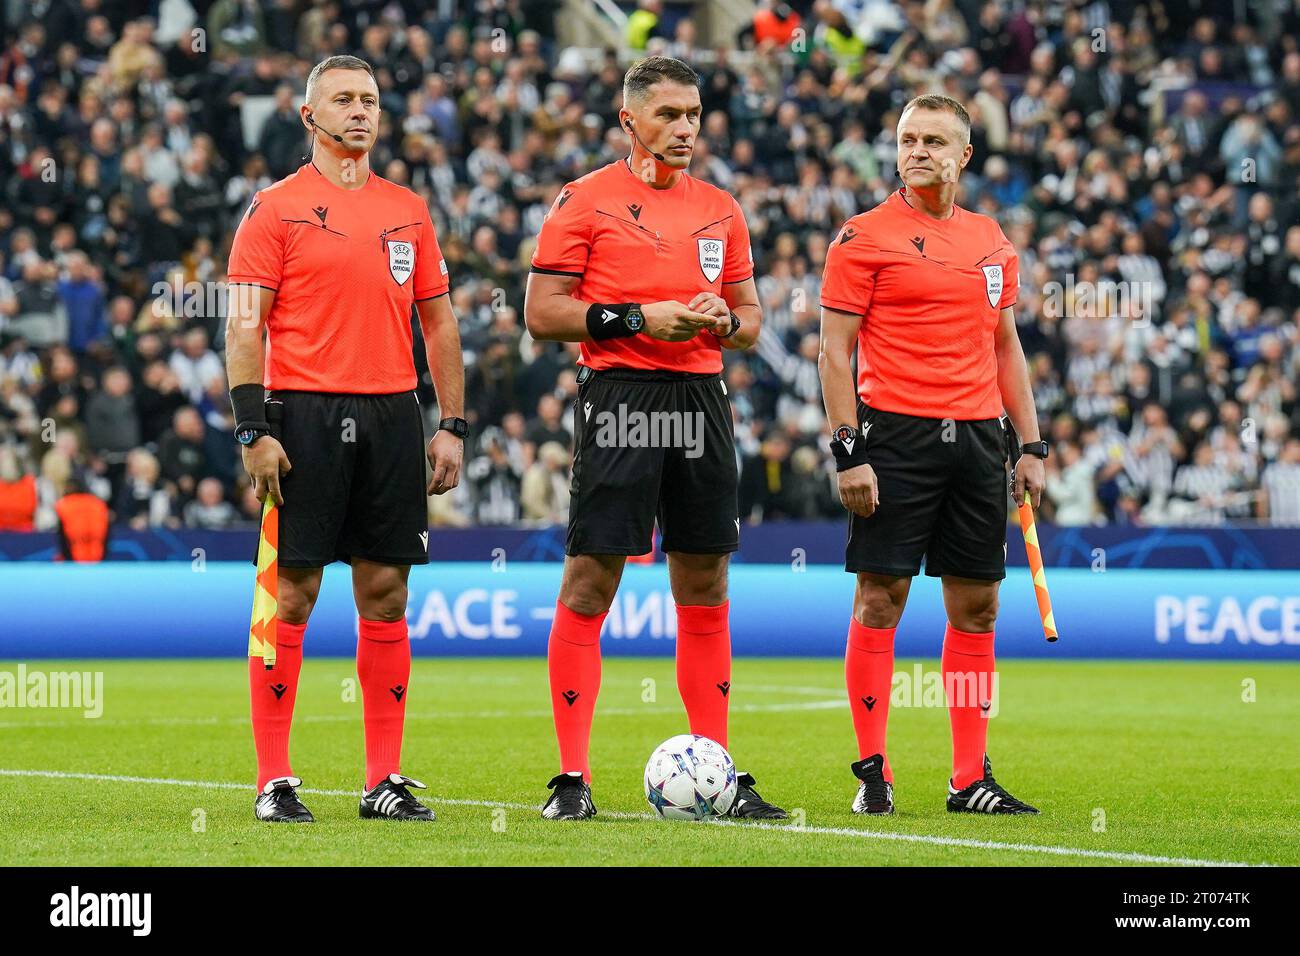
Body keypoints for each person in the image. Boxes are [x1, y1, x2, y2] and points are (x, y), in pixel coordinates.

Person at [523, 56, 785, 820]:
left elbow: (751, 320)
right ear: (629, 119)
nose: (684, 128)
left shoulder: (721, 209)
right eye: (668, 114)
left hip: (701, 398)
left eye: (693, 114)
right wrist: (638, 317)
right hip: (620, 397)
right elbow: (541, 312)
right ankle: (572, 780)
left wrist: (724, 321)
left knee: (705, 583)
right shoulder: (584, 199)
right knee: (591, 580)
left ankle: (720, 775)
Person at [225, 55, 466, 824]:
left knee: (387, 591)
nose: (360, 111)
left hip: (394, 414)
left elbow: (439, 323)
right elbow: (244, 325)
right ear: (309, 116)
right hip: (302, 416)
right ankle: (273, 780)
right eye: (343, 100)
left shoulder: (407, 209)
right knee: (291, 592)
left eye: (370, 99)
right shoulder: (274, 209)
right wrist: (252, 428)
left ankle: (382, 780)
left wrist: (451, 424)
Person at [818, 95, 1045, 816]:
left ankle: (968, 777)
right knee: (880, 597)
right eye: (908, 139)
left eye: (934, 141)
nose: (917, 151)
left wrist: (1031, 443)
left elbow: (1006, 347)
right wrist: (848, 451)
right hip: (895, 438)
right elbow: (833, 352)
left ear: (964, 155)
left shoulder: (990, 239)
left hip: (977, 440)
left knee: (977, 607)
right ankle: (873, 771)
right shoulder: (862, 236)